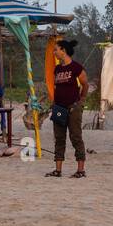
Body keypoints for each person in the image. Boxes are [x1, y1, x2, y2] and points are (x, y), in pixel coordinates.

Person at [46, 38, 88, 179]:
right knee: (59, 138)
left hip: (73, 108)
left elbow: (85, 85)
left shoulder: (76, 67)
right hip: (59, 108)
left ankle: (80, 170)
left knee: (76, 137)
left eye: (56, 49)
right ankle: (58, 170)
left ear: (63, 51)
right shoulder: (57, 69)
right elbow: (57, 88)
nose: (54, 52)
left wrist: (80, 102)